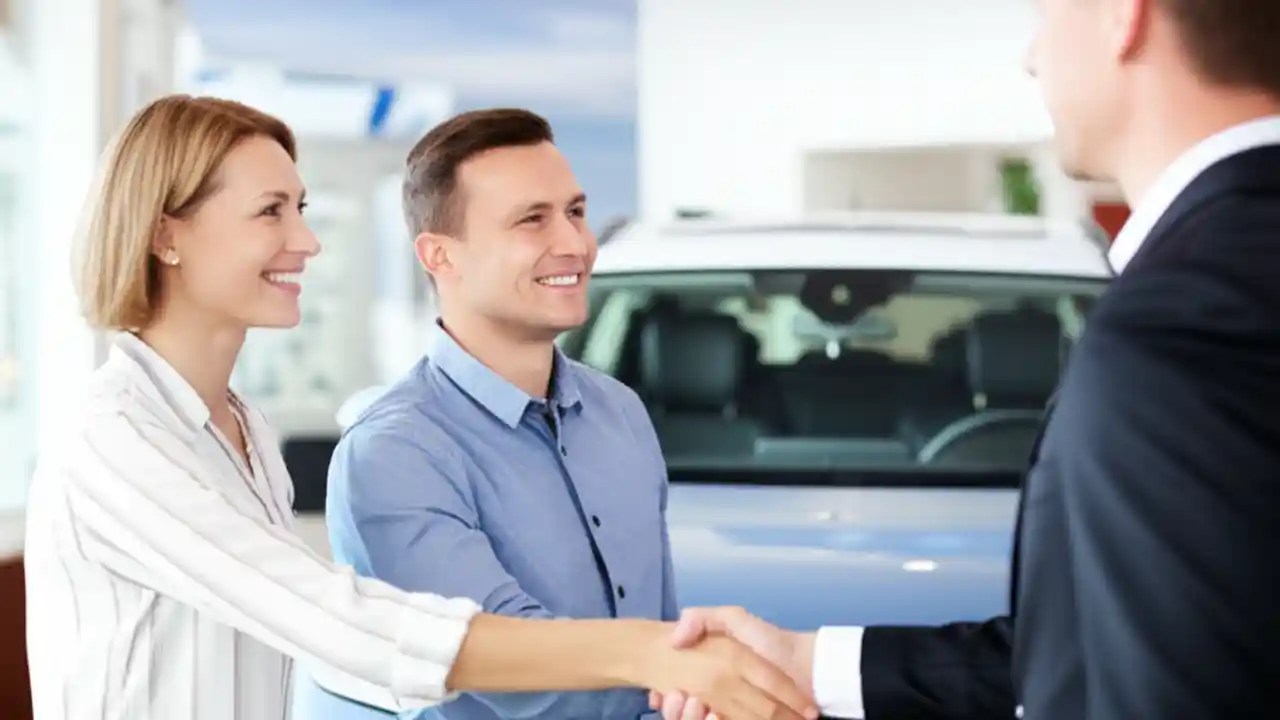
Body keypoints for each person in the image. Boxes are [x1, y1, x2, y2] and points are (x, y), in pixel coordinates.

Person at [20, 93, 820, 720]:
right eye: (272, 212)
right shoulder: (113, 438)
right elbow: (335, 621)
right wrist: (653, 653)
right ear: (169, 235)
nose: (308, 241)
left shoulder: (240, 427)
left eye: (301, 207)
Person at [654, 0, 1280, 718]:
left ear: (1121, 14)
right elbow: (1096, 653)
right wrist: (807, 663)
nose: (1033, 56)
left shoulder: (1181, 323)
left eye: (1047, 13)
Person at [294, 108, 679, 720]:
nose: (575, 244)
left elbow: (662, 634)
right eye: (532, 220)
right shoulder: (394, 453)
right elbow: (520, 682)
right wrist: (694, 671)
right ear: (440, 257)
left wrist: (685, 676)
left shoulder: (621, 414)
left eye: (575, 212)